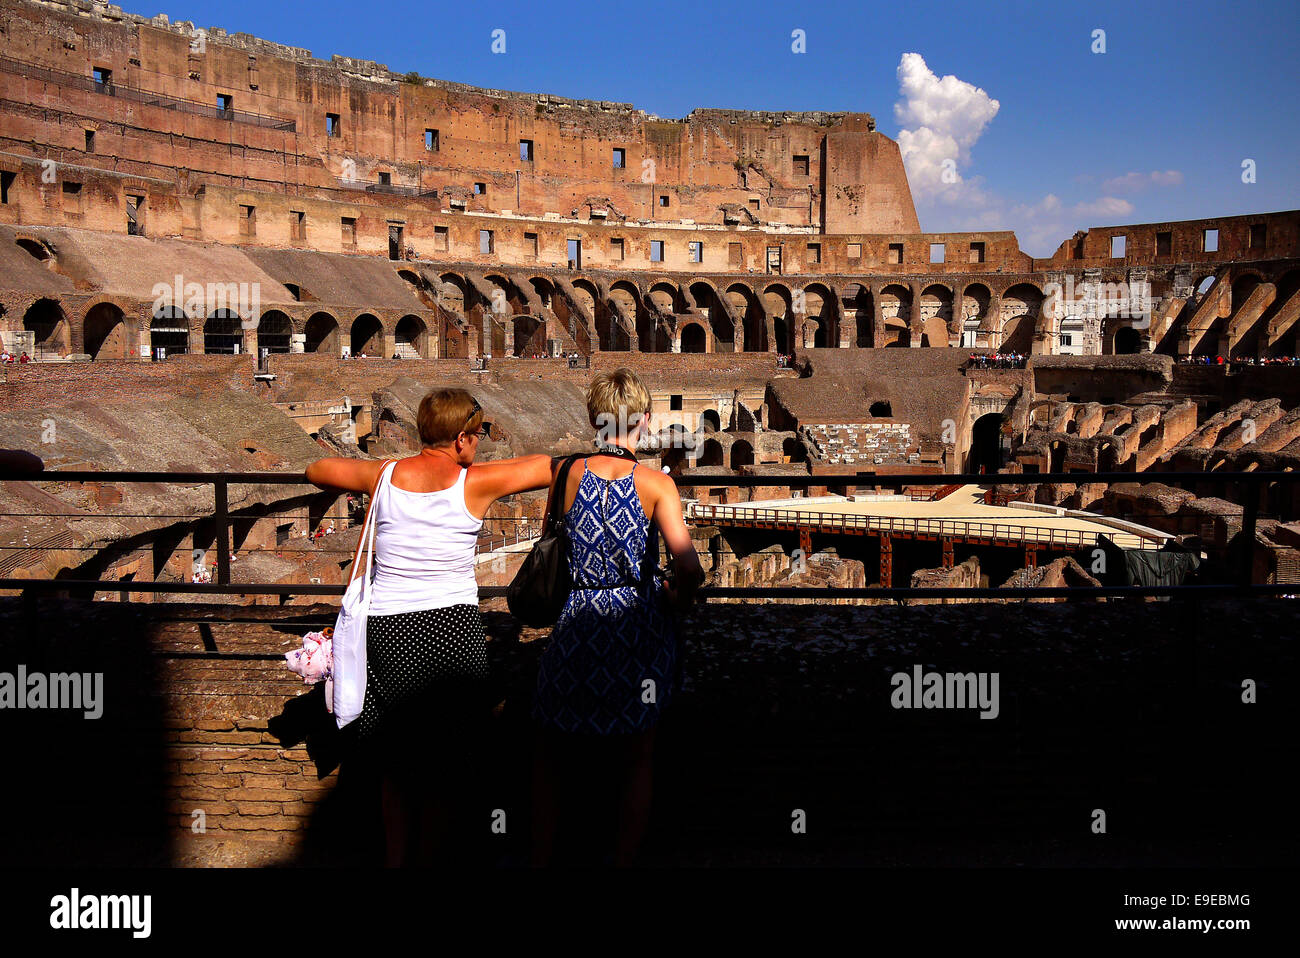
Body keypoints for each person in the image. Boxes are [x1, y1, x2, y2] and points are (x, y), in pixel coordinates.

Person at [305, 389, 553, 866]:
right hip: (451, 629)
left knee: (397, 762)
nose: (478, 444)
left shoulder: (384, 476)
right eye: (476, 436)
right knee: (448, 759)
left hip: (389, 629)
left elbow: (315, 470)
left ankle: (398, 860)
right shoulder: (475, 482)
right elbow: (546, 466)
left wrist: (384, 471)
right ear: (461, 438)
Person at [531, 368, 704, 867]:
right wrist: (674, 598)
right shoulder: (655, 485)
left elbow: (553, 547)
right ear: (644, 421)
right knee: (636, 757)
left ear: (594, 418)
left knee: (552, 757)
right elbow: (688, 567)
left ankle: (545, 859)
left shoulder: (566, 475)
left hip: (577, 619)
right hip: (637, 622)